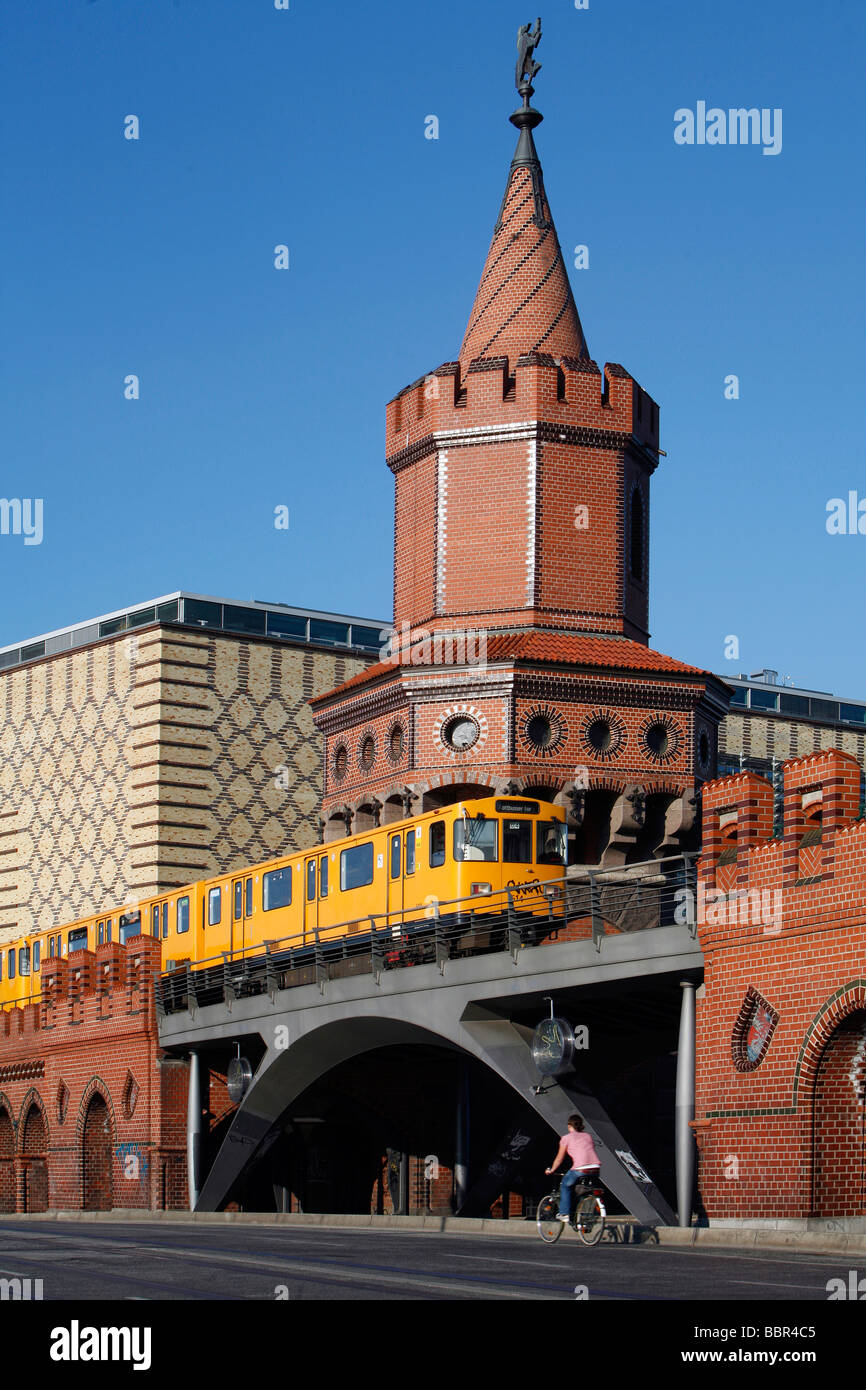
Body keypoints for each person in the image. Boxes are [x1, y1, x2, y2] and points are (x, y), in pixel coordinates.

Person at [545, 1114, 601, 1222]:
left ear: (569, 1126)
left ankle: (564, 1213)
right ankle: (579, 1211)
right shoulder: (588, 1136)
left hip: (580, 1168)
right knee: (579, 1189)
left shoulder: (566, 1138)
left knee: (565, 1185)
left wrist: (552, 1170)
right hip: (595, 1168)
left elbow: (559, 1158)